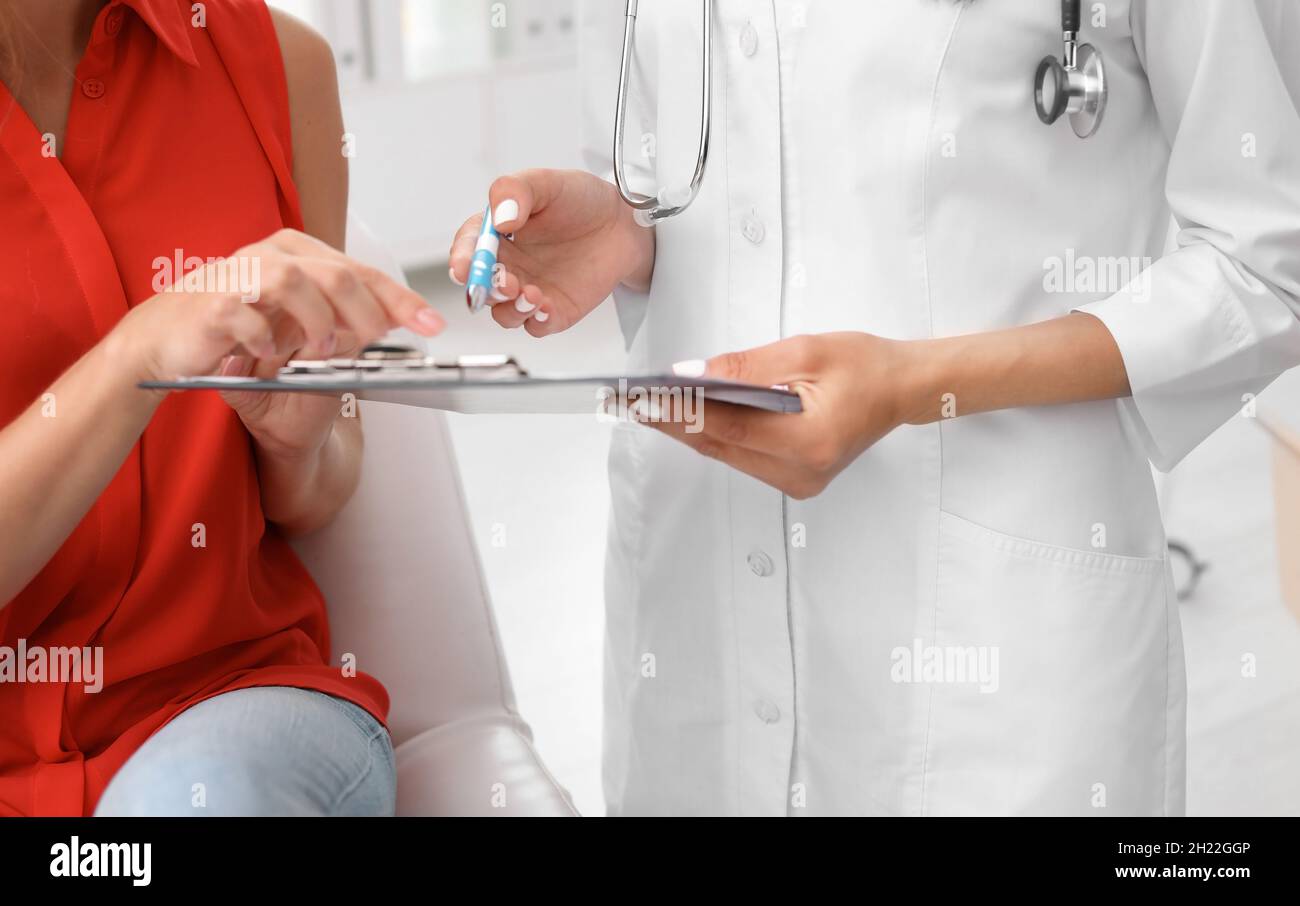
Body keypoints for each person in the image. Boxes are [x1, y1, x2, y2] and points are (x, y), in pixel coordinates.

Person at [450, 0, 1300, 815]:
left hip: (996, 647)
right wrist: (627, 235)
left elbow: (1263, 260)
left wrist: (909, 383)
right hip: (696, 606)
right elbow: (671, 177)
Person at [0, 0, 443, 816]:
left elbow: (322, 484)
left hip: (225, 709)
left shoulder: (281, 65)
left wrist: (296, 445)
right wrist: (136, 356)